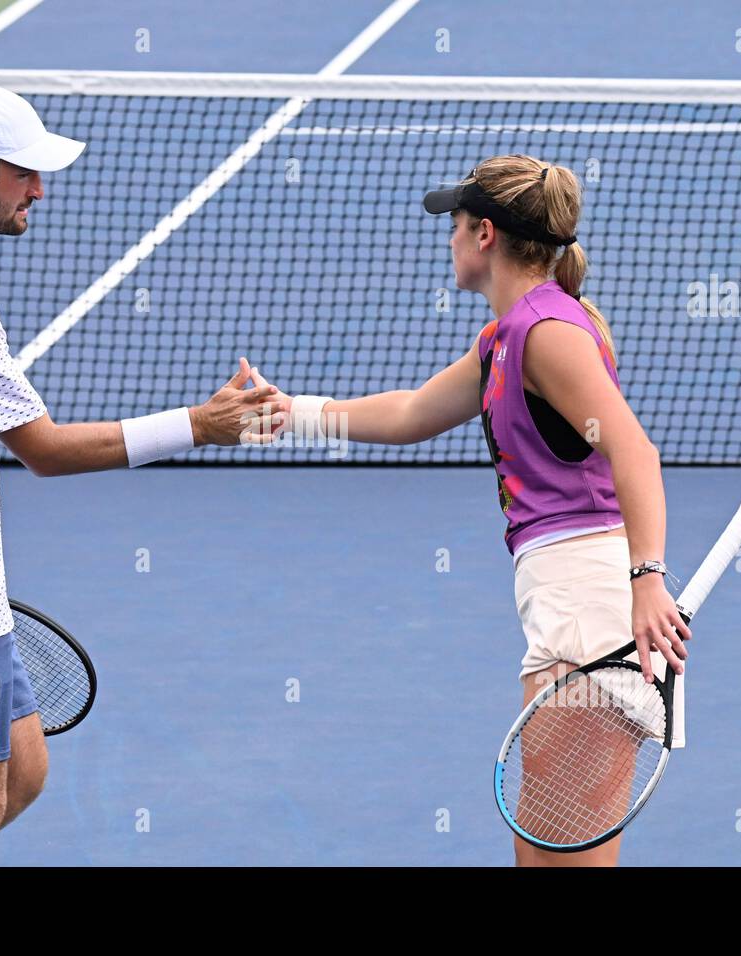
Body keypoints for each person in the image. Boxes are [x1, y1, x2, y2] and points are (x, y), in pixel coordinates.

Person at [0, 82, 285, 866]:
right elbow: (43, 449)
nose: (40, 189)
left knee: (24, 771)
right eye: (23, 173)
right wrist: (197, 427)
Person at [258, 153, 690, 867]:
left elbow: (634, 451)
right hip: (565, 604)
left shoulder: (548, 333)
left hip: (593, 613)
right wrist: (282, 415)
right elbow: (407, 415)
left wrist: (648, 579)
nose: (448, 240)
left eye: (454, 225)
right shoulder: (507, 337)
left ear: (484, 234)